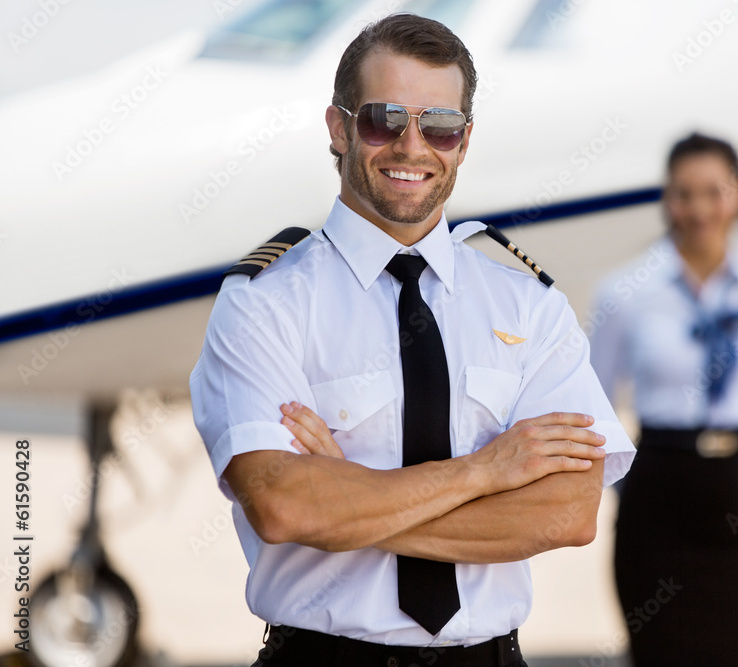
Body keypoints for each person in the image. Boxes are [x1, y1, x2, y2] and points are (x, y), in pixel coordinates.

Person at [189, 14, 634, 667]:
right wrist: (486, 471)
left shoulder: (530, 307)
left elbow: (567, 511)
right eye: (383, 120)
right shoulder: (263, 306)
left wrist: (348, 497)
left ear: (465, 139)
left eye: (441, 126)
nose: (412, 146)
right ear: (338, 128)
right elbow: (284, 506)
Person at [589, 133, 738, 666]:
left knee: (732, 652)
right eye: (684, 193)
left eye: (714, 191)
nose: (699, 208)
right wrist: (628, 487)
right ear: (666, 199)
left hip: (735, 496)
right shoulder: (626, 292)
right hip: (656, 494)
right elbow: (594, 403)